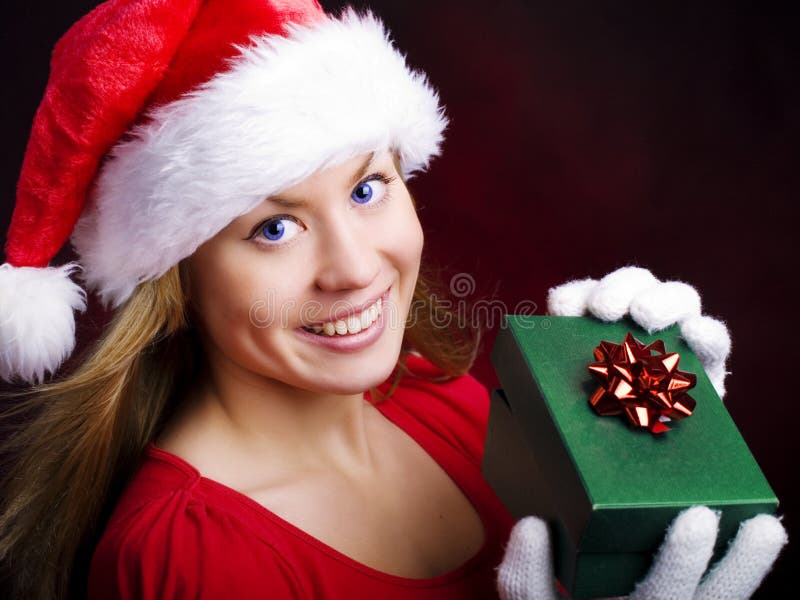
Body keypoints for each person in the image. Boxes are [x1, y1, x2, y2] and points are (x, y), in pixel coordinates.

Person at [0, 1, 787, 599]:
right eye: (274, 227)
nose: (352, 267)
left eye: (368, 187)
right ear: (176, 280)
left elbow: (607, 539)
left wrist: (645, 432)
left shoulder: (434, 394)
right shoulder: (192, 559)